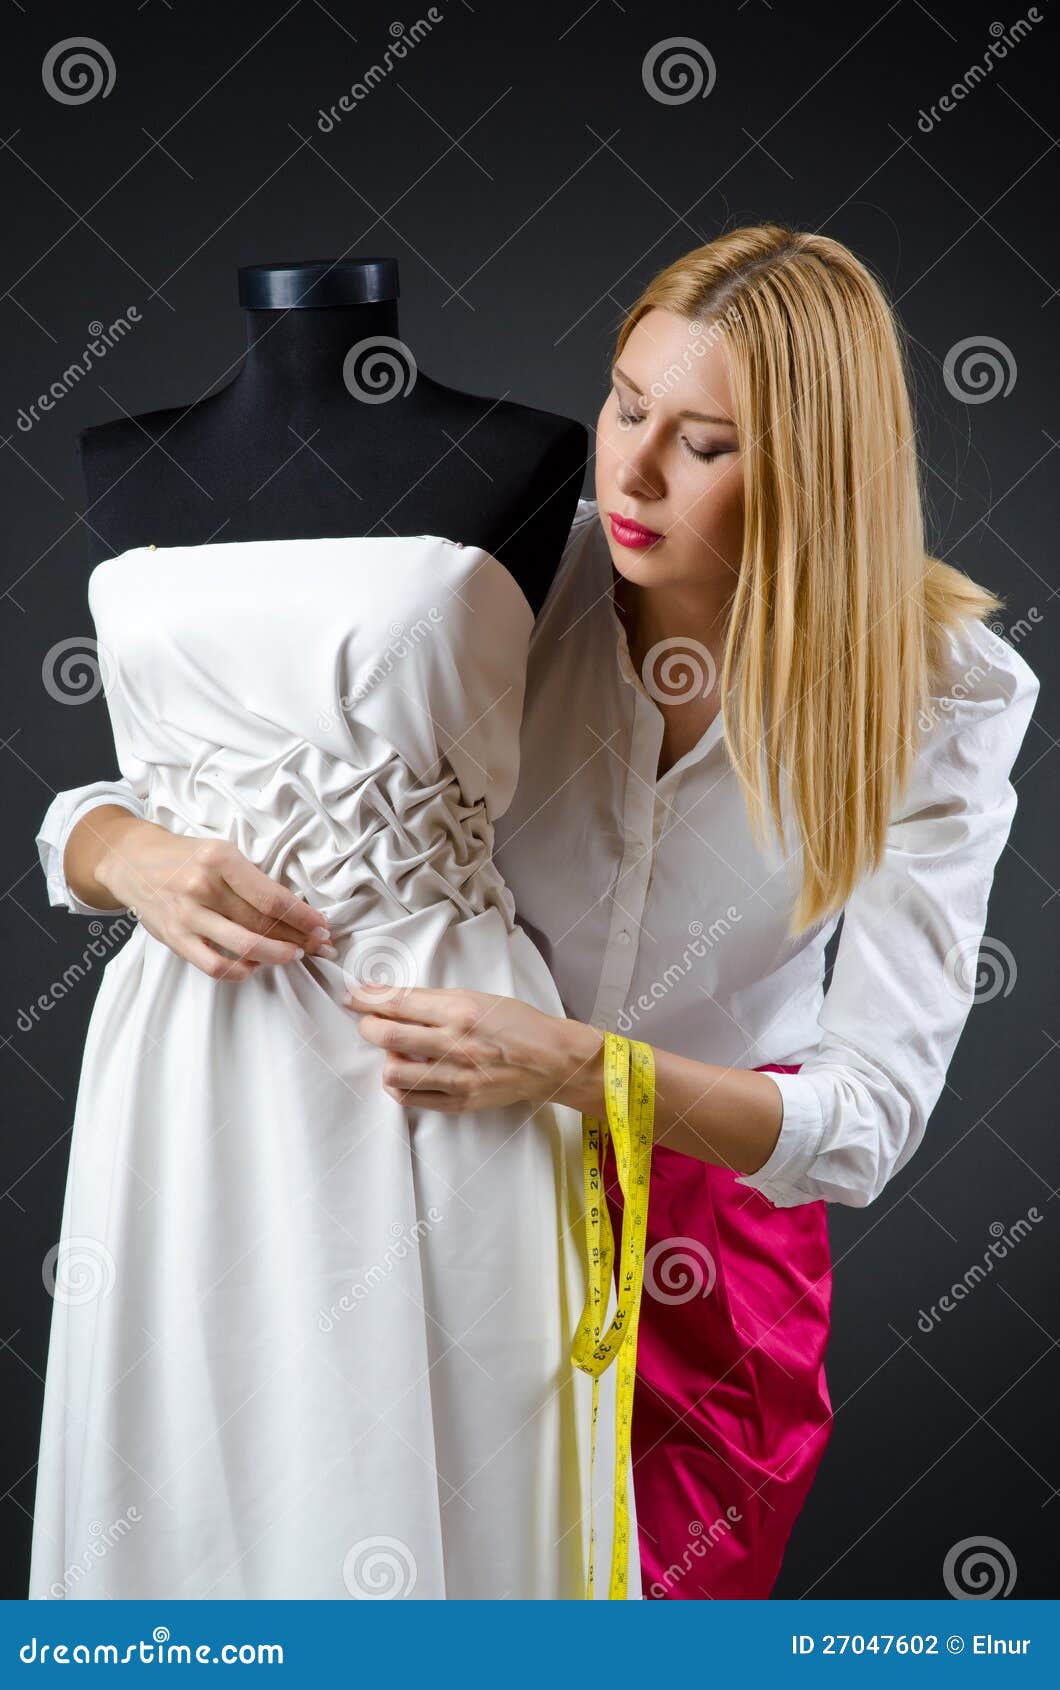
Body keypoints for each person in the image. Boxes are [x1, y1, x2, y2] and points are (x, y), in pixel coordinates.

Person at [38, 223, 1040, 1599]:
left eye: (704, 443)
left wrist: (577, 1067)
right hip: (445, 1187)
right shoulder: (493, 582)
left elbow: (866, 1117)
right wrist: (110, 842)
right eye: (627, 404)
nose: (628, 471)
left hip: (709, 1248)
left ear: (820, 469)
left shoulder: (943, 693)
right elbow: (234, 791)